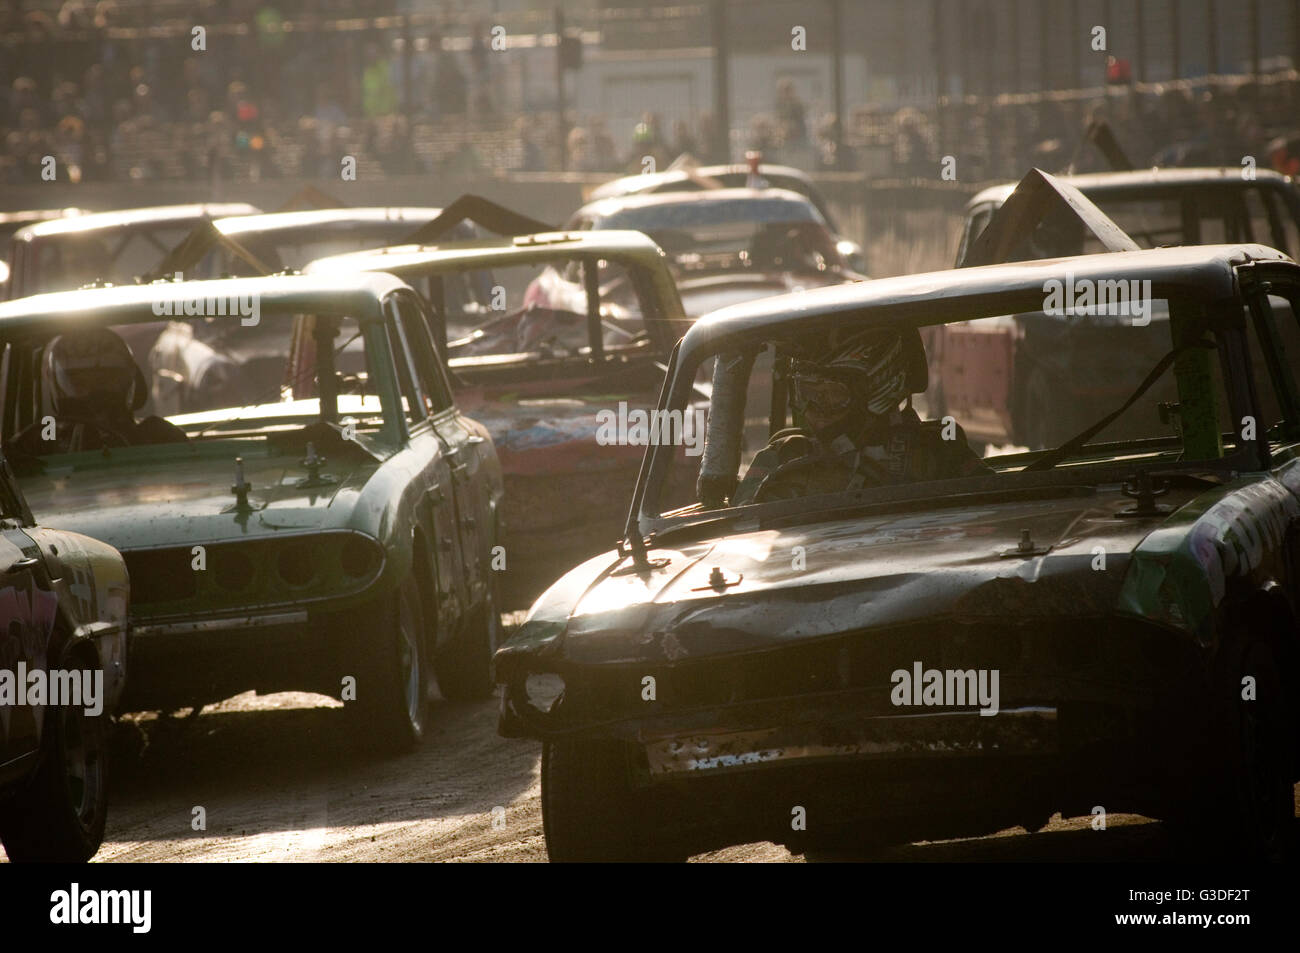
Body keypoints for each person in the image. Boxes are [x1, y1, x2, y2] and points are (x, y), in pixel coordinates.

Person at [732, 328, 990, 503]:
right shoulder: (781, 458)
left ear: (879, 387)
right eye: (807, 392)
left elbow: (996, 518)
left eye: (832, 394)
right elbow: (739, 539)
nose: (815, 407)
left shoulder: (939, 453)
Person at [9, 328, 187, 456]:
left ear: (127, 379)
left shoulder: (158, 436)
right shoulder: (43, 439)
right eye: (78, 381)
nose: (91, 392)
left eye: (104, 380)